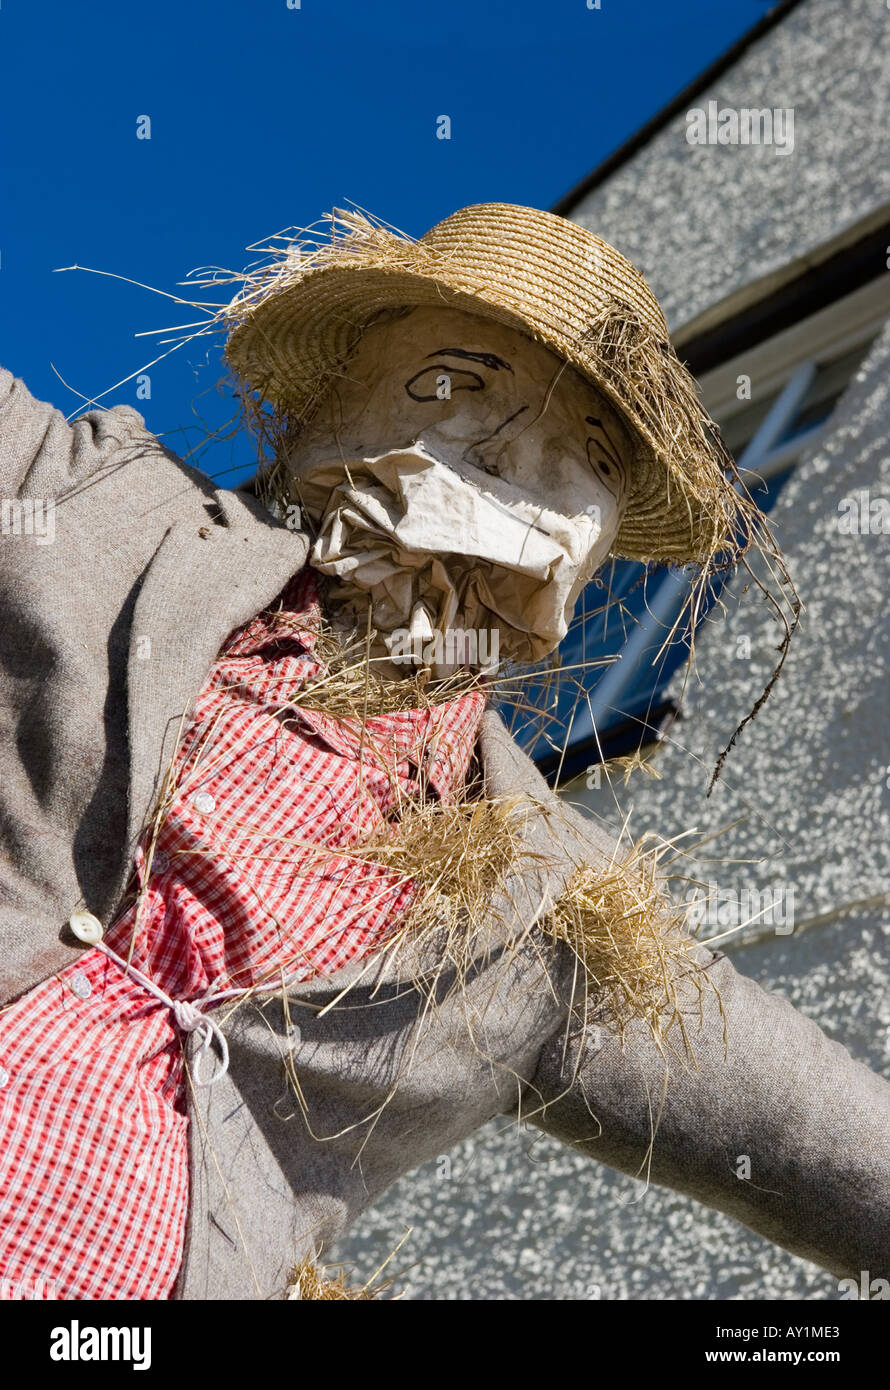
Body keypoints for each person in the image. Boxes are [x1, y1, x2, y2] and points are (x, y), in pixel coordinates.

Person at [0, 204, 887, 1301]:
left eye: (578, 455)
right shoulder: (86, 500)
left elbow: (825, 1137)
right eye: (449, 385)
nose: (493, 458)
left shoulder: (546, 908)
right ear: (330, 401)